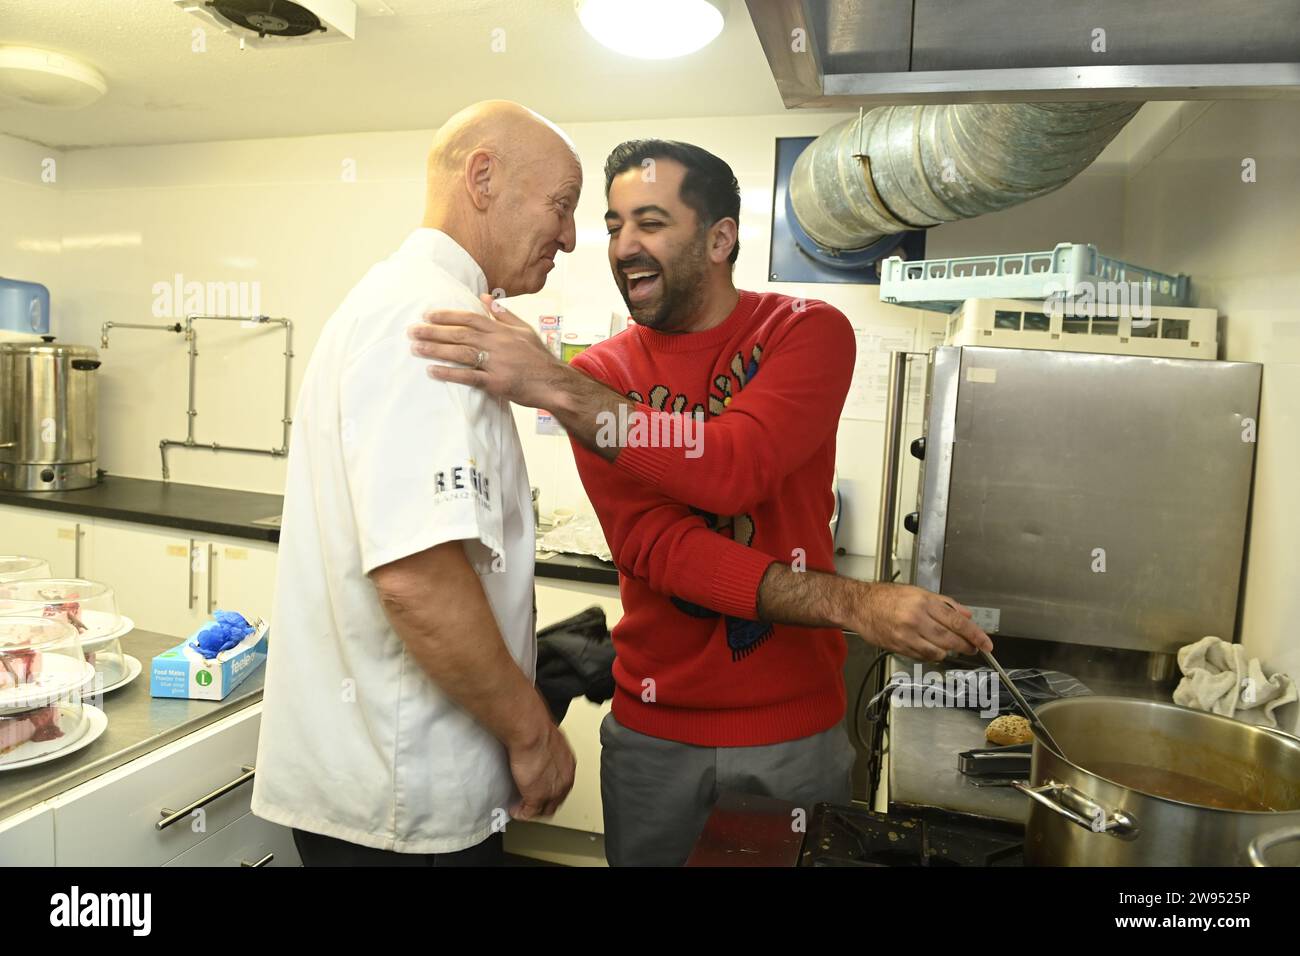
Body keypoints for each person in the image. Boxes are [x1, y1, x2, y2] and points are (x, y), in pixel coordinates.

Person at [407, 139, 992, 866]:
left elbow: (734, 470)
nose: (623, 246)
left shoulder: (804, 332)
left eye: (649, 222)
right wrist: (853, 603)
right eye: (614, 226)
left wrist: (558, 389)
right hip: (653, 733)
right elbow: (658, 550)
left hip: (792, 735)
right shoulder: (598, 374)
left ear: (721, 238)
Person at [251, 100, 582, 866]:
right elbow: (417, 578)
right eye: (561, 206)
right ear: (483, 177)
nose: (568, 236)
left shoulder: (422, 305)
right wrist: (533, 733)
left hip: (387, 780)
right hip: (401, 798)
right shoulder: (431, 320)